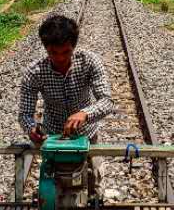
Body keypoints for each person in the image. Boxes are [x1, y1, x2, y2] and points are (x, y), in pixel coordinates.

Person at [18, 13, 112, 145]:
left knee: (92, 158)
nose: (60, 58)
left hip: (87, 135)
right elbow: (25, 114)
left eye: (66, 52)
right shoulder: (34, 72)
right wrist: (31, 129)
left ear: (74, 46)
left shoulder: (89, 61)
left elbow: (107, 101)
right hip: (53, 137)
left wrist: (85, 114)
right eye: (53, 52)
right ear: (45, 48)